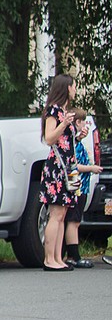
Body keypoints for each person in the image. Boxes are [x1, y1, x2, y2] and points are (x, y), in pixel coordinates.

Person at [38, 74, 79, 271]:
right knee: (55, 213)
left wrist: (78, 136)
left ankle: (58, 257)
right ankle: (48, 259)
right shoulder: (54, 111)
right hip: (57, 168)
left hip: (69, 167)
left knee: (63, 212)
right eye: (74, 86)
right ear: (66, 88)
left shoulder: (64, 111)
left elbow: (65, 142)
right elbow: (49, 138)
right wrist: (64, 124)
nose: (75, 90)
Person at [64, 108, 102, 267]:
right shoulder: (72, 143)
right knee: (73, 219)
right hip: (76, 183)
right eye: (83, 122)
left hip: (81, 184)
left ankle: (68, 254)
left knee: (75, 219)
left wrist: (80, 138)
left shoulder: (75, 140)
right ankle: (74, 256)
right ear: (77, 122)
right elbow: (74, 165)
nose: (85, 125)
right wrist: (91, 168)